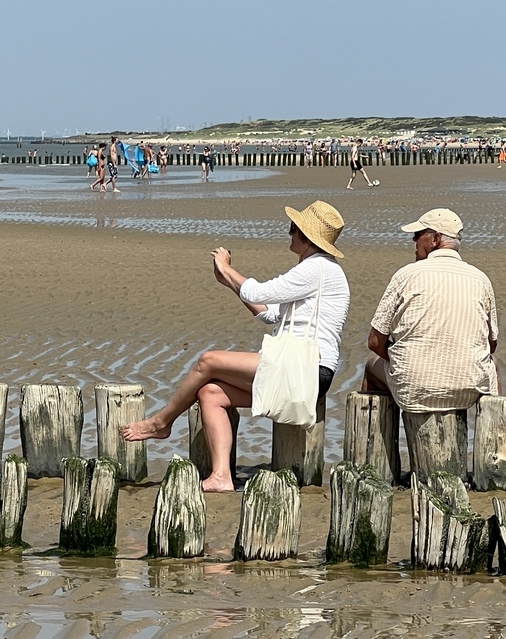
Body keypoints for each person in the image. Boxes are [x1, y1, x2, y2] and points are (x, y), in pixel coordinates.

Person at [122, 201, 350, 492]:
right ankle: (221, 476)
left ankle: (161, 422)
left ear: (306, 236)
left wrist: (227, 268)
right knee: (210, 393)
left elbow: (258, 291)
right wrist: (229, 282)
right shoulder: (317, 269)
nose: (289, 232)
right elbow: (270, 314)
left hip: (308, 368)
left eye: (294, 228)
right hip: (298, 367)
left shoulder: (317, 267)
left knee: (208, 361)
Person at [361, 208, 498, 414]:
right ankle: (495, 429)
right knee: (493, 365)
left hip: (412, 390)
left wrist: (404, 355)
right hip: (468, 390)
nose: (414, 241)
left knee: (372, 366)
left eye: (417, 235)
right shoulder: (481, 279)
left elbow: (374, 342)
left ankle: (373, 441)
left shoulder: (406, 275)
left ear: (434, 239)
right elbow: (491, 344)